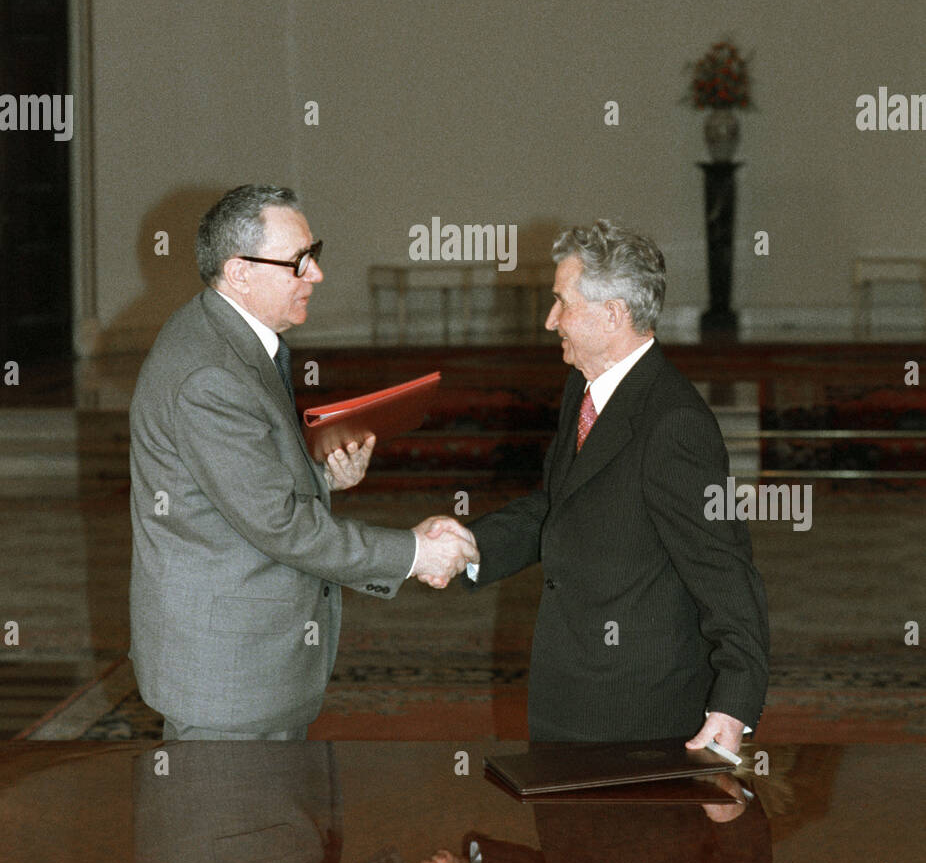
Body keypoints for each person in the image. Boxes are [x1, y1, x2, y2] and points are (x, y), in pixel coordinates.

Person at [129, 184, 477, 740]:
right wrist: (415, 553)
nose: (316, 274)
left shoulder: (227, 336)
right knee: (233, 824)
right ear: (239, 271)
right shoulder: (210, 376)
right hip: (229, 679)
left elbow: (237, 485)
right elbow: (279, 525)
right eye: (298, 262)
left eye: (315, 254)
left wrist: (321, 474)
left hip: (250, 662)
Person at [427, 220, 768, 754]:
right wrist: (474, 546)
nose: (549, 321)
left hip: (638, 717)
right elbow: (561, 505)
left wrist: (733, 705)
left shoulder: (673, 422)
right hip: (573, 699)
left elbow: (725, 569)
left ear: (613, 314)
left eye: (562, 303)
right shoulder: (585, 390)